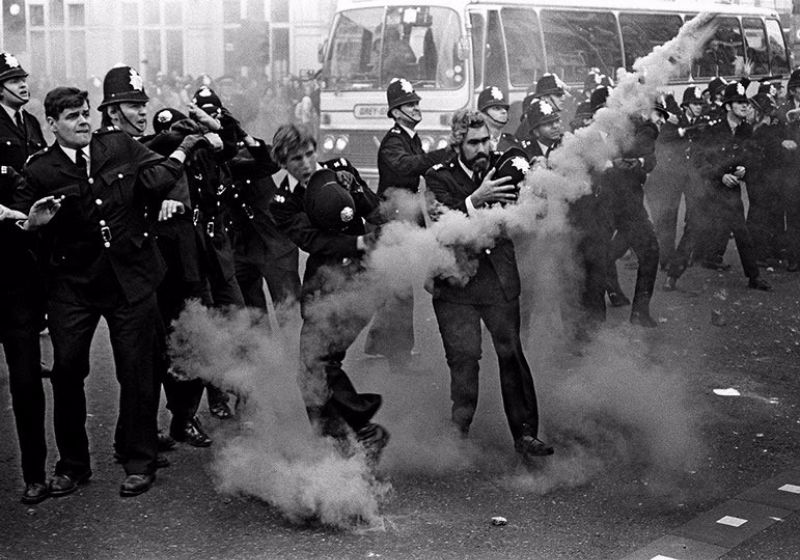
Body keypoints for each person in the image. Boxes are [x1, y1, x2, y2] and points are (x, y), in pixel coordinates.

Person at [14, 86, 201, 498]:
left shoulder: (116, 145)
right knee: (66, 373)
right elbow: (19, 220)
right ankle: (73, 465)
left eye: (84, 113)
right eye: (71, 117)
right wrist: (30, 224)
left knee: (136, 371)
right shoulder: (39, 169)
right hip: (72, 286)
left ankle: (139, 460)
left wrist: (184, 150)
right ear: (52, 124)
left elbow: (158, 173)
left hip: (129, 278)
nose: (82, 122)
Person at [424, 109, 552, 465]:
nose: (482, 149)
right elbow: (438, 226)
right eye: (473, 143)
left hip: (497, 279)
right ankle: (457, 436)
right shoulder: (437, 176)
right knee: (464, 362)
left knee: (511, 354)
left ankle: (525, 434)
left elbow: (530, 185)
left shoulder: (506, 163)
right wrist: (474, 199)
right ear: (458, 144)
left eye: (486, 141)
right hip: (456, 286)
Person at [97, 66, 208, 452]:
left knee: (185, 340)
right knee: (141, 360)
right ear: (112, 112)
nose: (141, 112)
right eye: (132, 106)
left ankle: (182, 418)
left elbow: (167, 159)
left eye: (143, 104)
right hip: (136, 269)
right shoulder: (105, 150)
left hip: (173, 259)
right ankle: (133, 435)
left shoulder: (149, 143)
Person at [269, 123, 390, 464]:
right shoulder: (282, 202)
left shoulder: (340, 170)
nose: (306, 163)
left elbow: (376, 211)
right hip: (325, 284)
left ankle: (358, 433)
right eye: (296, 159)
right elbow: (311, 241)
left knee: (315, 365)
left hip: (361, 281)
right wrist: (357, 241)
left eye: (309, 154)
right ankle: (340, 443)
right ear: (283, 162)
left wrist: (358, 192)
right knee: (312, 369)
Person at [365, 78, 453, 373]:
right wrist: (443, 153)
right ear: (396, 111)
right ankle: (399, 358)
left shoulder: (410, 137)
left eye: (415, 103)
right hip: (392, 223)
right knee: (399, 290)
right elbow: (407, 166)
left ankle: (383, 346)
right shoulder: (393, 142)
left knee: (397, 288)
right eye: (409, 105)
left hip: (403, 220)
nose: (416, 108)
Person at [0, 52, 51, 504]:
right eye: (11, 80)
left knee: (26, 379)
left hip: (18, 264)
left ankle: (35, 473)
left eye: (21, 78)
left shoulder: (31, 123)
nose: (20, 84)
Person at [665, 82, 771, 292]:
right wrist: (721, 175)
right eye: (739, 103)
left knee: (742, 232)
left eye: (745, 103)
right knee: (693, 231)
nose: (744, 106)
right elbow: (698, 161)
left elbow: (753, 155)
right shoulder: (712, 129)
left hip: (731, 191)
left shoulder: (745, 129)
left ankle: (754, 277)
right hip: (708, 189)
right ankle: (672, 276)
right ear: (728, 106)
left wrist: (744, 169)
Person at [476, 86, 518, 152]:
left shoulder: (513, 143)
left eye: (505, 108)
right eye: (497, 108)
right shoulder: (473, 142)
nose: (504, 111)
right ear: (482, 114)